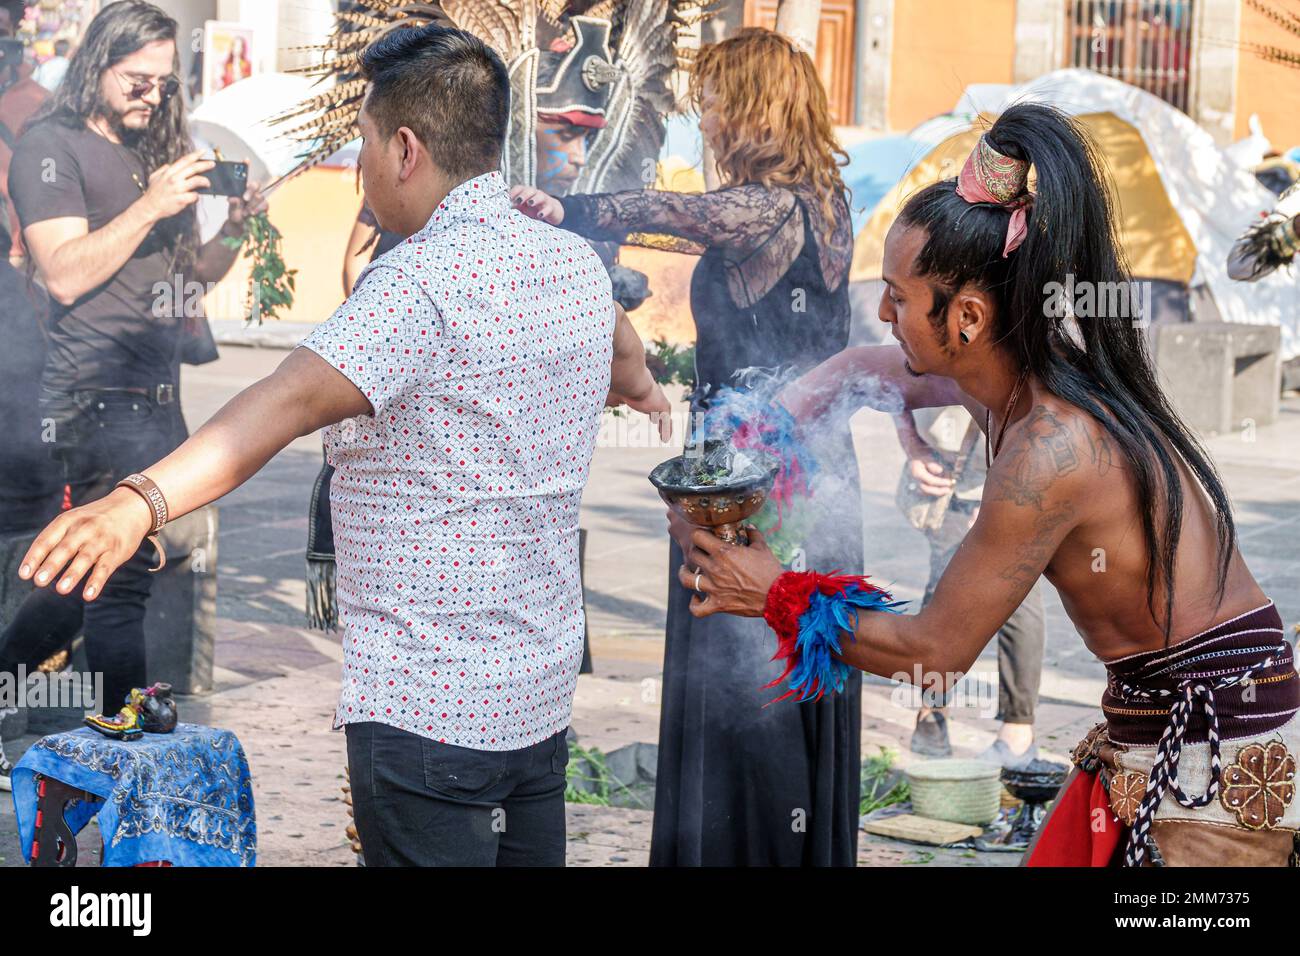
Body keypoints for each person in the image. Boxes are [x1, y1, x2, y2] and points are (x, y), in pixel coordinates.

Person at [16, 22, 670, 866]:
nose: (358, 171)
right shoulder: (571, 262)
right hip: (536, 700)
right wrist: (647, 392)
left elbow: (278, 404)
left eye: (361, 144)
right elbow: (624, 358)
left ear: (404, 149)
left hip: (428, 710)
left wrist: (133, 504)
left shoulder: (417, 283)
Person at [678, 102, 1299, 867]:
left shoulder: (1050, 448)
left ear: (967, 317)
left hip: (1217, 752)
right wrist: (758, 437)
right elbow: (866, 369)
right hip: (1155, 719)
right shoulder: (1005, 370)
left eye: (899, 298)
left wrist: (772, 590)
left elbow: (934, 647)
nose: (883, 313)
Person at [514, 27, 861, 867]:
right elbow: (772, 337)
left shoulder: (769, 206)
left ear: (748, 106)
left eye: (713, 96)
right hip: (812, 472)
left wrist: (569, 208)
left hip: (749, 479)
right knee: (792, 659)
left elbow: (674, 214)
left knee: (748, 672)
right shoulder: (826, 203)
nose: (700, 113)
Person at [0, 0, 266, 782]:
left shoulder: (157, 150)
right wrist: (153, 200)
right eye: (137, 79)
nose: (153, 94)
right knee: (117, 582)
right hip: (87, 392)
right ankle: (131, 757)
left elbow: (193, 279)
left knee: (105, 569)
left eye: (163, 82)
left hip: (156, 392)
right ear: (98, 63)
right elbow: (65, 270)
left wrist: (239, 226)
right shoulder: (52, 147)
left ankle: (69, 712)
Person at [892, 407, 1046, 766]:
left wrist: (1002, 493)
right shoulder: (911, 351)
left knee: (1018, 597)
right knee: (944, 590)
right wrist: (912, 446)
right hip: (948, 476)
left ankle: (1017, 731)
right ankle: (932, 709)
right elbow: (890, 384)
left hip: (1016, 479)